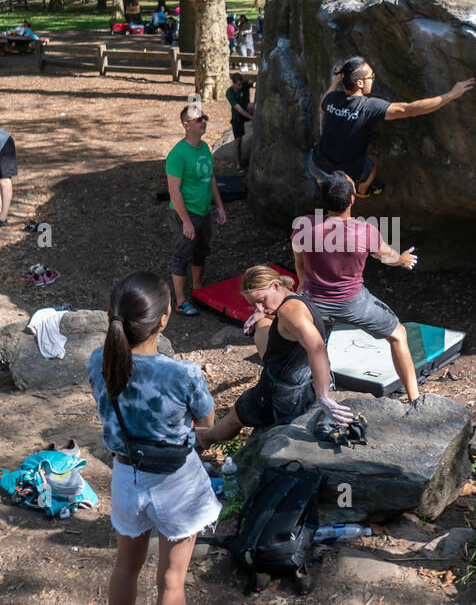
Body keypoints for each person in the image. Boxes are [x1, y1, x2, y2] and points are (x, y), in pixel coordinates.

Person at [90, 272, 220, 605]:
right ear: (163, 319)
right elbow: (206, 424)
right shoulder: (183, 374)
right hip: (176, 483)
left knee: (126, 565)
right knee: (171, 581)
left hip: (127, 477)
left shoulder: (99, 360)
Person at [292, 171, 422, 401]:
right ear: (352, 199)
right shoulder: (365, 231)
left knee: (315, 347)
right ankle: (414, 399)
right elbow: (387, 257)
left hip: (314, 303)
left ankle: (316, 397)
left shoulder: (304, 226)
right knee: (399, 335)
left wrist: (302, 282)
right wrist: (403, 260)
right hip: (353, 303)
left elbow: (299, 260)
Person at [195, 266, 353, 445]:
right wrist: (260, 315)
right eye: (254, 304)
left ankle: (205, 436)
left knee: (235, 415)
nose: (260, 307)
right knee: (262, 323)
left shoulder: (289, 313)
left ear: (276, 286)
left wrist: (323, 397)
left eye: (262, 301)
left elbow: (317, 348)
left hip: (285, 393)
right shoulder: (298, 295)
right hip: (301, 375)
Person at [312, 56, 473, 197]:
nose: (373, 79)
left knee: (329, 165)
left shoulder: (332, 98)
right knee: (373, 162)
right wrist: (451, 95)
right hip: (345, 176)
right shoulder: (369, 107)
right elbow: (409, 109)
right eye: (371, 77)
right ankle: (361, 189)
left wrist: (334, 83)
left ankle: (322, 179)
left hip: (315, 164)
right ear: (360, 83)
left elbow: (321, 107)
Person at [164, 104, 227, 316]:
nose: (203, 123)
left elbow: (211, 179)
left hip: (204, 212)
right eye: (198, 120)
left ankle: (198, 289)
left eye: (204, 118)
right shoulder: (177, 154)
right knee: (182, 256)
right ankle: (181, 301)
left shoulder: (206, 148)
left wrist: (219, 206)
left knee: (201, 252)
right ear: (186, 125)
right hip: (185, 213)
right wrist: (186, 221)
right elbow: (174, 191)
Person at [224, 72, 254, 172]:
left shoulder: (244, 84)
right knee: (238, 140)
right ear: (233, 83)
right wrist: (250, 117)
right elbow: (239, 109)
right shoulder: (229, 92)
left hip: (247, 109)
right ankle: (238, 164)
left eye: (242, 84)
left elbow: (252, 82)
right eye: (238, 85)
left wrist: (251, 82)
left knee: (252, 106)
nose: (241, 86)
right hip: (238, 115)